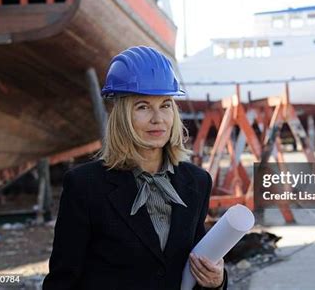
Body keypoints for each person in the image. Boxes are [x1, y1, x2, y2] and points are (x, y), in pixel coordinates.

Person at [43, 46, 227, 290]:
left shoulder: (196, 182)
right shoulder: (85, 186)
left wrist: (217, 281)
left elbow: (194, 271)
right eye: (142, 106)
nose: (157, 118)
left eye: (165, 105)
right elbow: (62, 282)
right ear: (121, 115)